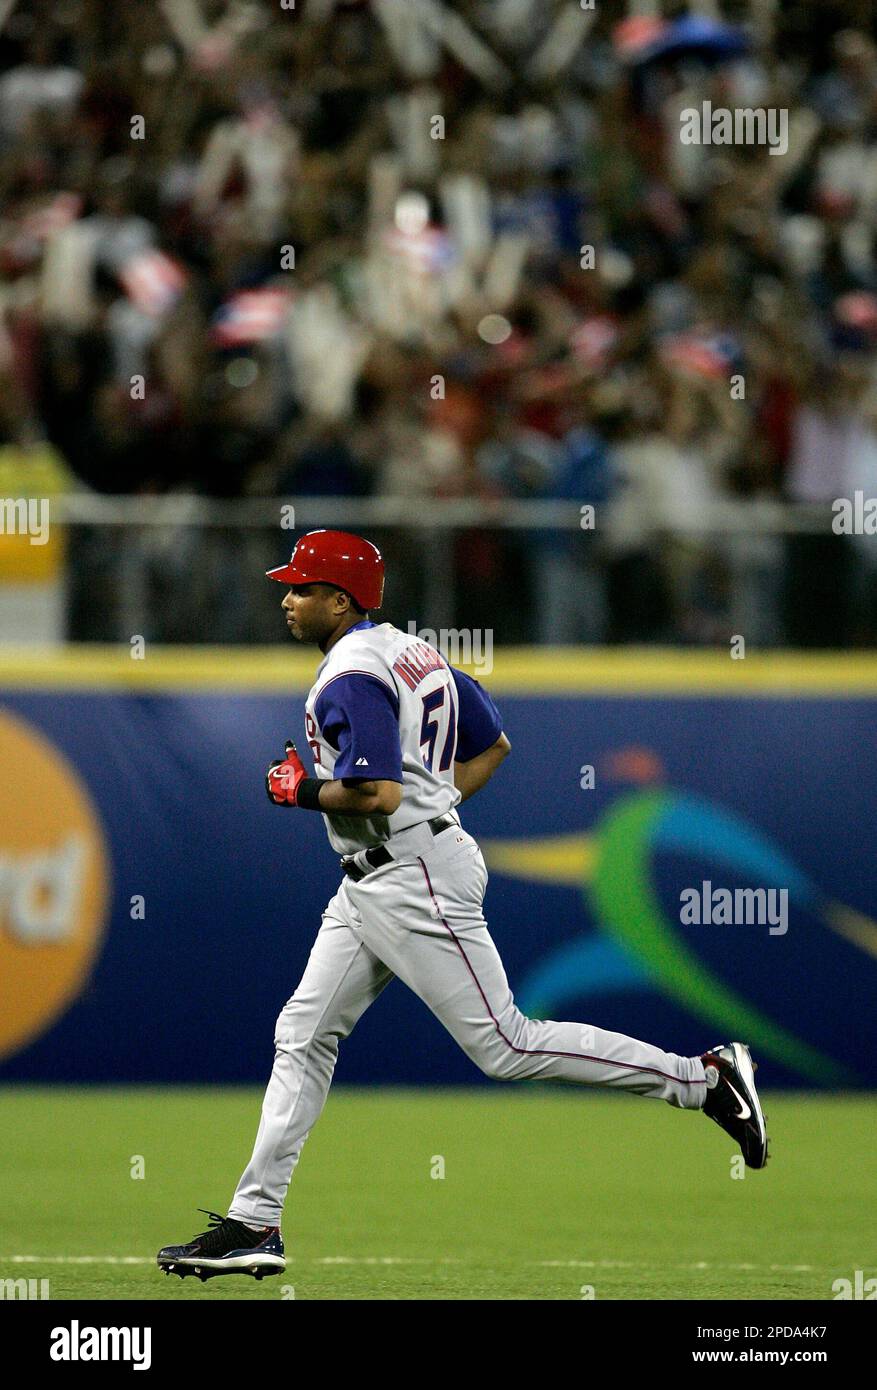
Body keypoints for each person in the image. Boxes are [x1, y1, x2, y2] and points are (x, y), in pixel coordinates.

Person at [157, 529, 768, 1282]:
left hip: (409, 874)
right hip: (382, 874)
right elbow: (493, 744)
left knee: (505, 1045)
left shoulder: (349, 672)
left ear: (340, 600)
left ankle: (700, 1078)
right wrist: (433, 810)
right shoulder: (415, 654)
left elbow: (375, 792)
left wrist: (300, 791)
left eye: (302, 588)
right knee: (303, 1034)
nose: (287, 600)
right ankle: (254, 1222)